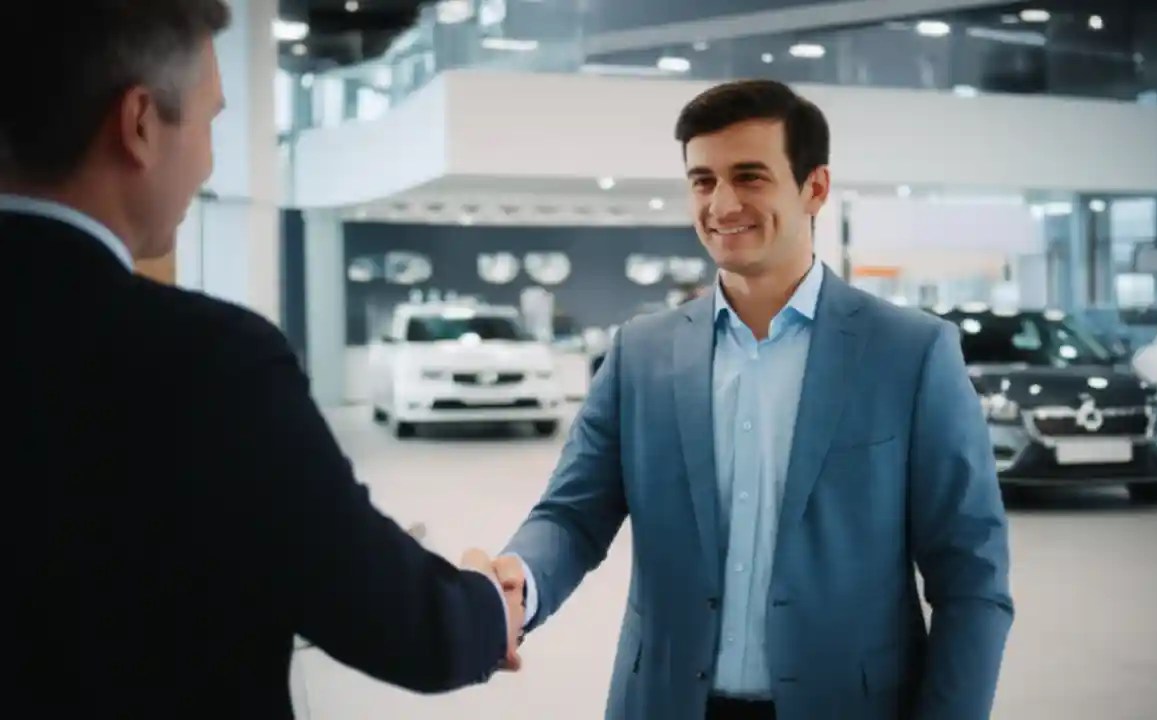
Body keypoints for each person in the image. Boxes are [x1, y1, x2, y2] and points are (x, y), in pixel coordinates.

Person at [1, 2, 520, 716]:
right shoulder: (206, 363)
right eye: (211, 122)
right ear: (141, 124)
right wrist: (488, 600)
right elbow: (405, 626)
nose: (210, 159)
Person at [477, 79, 1014, 719]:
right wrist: (519, 583)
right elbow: (572, 514)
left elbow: (971, 578)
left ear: (815, 187)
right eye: (702, 180)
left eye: (750, 176)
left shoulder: (912, 353)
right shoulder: (641, 352)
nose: (722, 202)